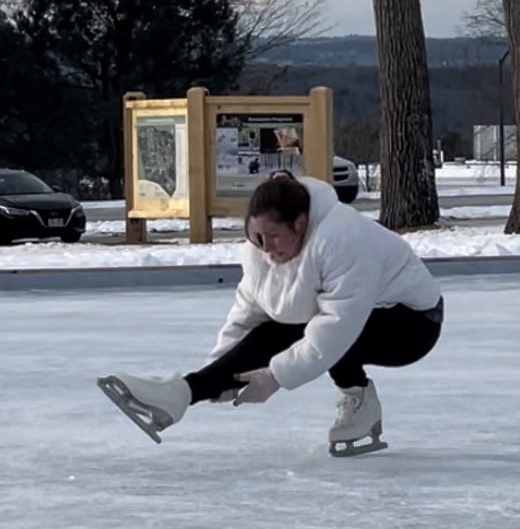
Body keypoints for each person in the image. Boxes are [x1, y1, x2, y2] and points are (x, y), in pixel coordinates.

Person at [98, 171, 444, 455]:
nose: (266, 249)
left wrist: (275, 376)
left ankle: (356, 396)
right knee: (286, 322)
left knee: (306, 324)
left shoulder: (342, 238)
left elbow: (337, 326)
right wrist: (220, 373)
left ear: (301, 223)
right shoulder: (260, 252)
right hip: (356, 321)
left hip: (412, 325)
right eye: (257, 238)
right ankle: (183, 393)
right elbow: (248, 314)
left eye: (273, 237)